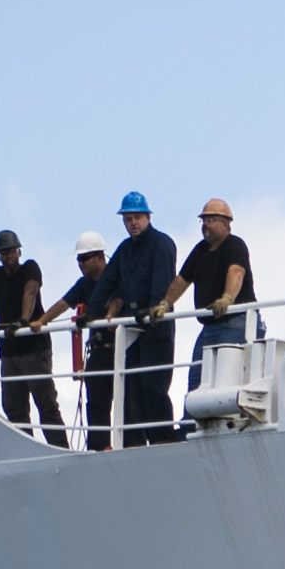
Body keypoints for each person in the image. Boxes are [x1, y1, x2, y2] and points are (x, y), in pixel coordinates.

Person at [0, 228, 69, 444]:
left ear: (19, 252)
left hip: (34, 349)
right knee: (14, 407)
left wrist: (23, 321)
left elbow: (31, 291)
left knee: (45, 403)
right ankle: (27, 449)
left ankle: (61, 449)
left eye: (12, 251)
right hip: (9, 353)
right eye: (4, 253)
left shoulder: (30, 268)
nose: (8, 256)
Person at [103, 190, 180, 445]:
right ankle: (137, 441)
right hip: (133, 325)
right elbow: (108, 280)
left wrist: (154, 308)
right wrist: (93, 313)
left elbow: (162, 281)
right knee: (133, 387)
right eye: (128, 219)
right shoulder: (125, 249)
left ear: (147, 217)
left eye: (136, 217)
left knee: (154, 384)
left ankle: (163, 439)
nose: (132, 223)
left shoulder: (162, 243)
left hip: (156, 325)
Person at [178, 199, 254, 410]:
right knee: (197, 378)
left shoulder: (235, 245)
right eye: (204, 220)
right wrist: (164, 304)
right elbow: (182, 280)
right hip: (211, 325)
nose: (206, 225)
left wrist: (227, 299)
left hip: (235, 321)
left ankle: (221, 419)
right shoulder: (200, 250)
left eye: (211, 220)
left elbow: (237, 271)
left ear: (226, 224)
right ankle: (191, 424)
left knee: (225, 378)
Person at [57, 240, 123, 451]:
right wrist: (40, 322)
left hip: (120, 349)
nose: (81, 263)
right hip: (98, 350)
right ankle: (99, 446)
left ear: (99, 257)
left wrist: (110, 315)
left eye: (84, 259)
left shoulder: (116, 277)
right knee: (95, 402)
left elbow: (120, 298)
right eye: (79, 259)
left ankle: (130, 442)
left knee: (128, 398)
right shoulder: (84, 284)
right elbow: (64, 303)